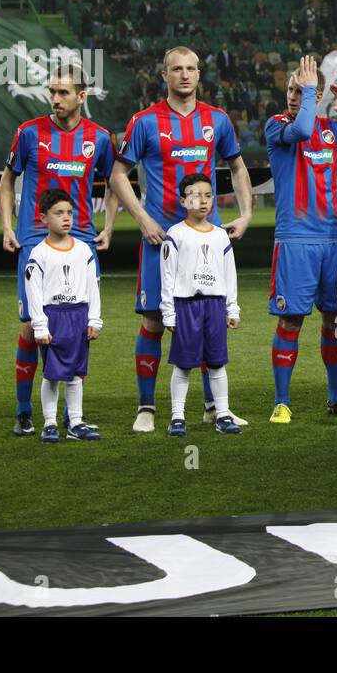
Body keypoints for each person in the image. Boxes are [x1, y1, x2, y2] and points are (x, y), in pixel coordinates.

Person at [109, 46, 253, 433]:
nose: (185, 75)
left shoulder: (217, 120)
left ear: (199, 73)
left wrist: (246, 214)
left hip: (207, 240)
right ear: (164, 75)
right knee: (155, 320)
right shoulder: (145, 121)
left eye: (191, 68)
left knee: (211, 320)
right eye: (177, 69)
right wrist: (142, 218)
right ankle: (146, 408)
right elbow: (118, 175)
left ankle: (213, 407)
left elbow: (237, 167)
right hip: (162, 239)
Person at [0, 63, 115, 437]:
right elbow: (8, 179)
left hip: (81, 238)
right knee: (32, 327)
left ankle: (73, 415)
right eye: (52, 91)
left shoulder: (98, 138)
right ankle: (24, 410)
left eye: (63, 92)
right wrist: (7, 225)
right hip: (35, 237)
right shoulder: (30, 133)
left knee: (80, 325)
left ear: (82, 96)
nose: (55, 99)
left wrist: (109, 225)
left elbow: (115, 182)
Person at [265, 56, 337, 425]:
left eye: (303, 90)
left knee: (334, 320)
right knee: (291, 321)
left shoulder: (330, 129)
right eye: (293, 90)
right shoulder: (277, 126)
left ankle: (336, 397)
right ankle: (282, 401)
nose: (295, 96)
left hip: (332, 239)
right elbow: (299, 131)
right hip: (295, 239)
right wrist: (313, 93)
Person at [159, 174, 242, 437]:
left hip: (215, 306)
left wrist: (233, 308)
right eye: (196, 195)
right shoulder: (175, 234)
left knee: (217, 363)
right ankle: (177, 417)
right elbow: (167, 276)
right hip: (186, 307)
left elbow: (230, 275)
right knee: (183, 365)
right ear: (184, 201)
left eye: (208, 195)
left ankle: (223, 413)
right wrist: (168, 313)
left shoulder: (220, 235)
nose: (203, 201)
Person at [23, 189, 103, 443]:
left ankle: (76, 422)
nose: (66, 218)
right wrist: (39, 325)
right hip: (53, 317)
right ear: (44, 218)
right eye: (59, 213)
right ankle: (49, 423)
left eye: (69, 212)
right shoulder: (39, 253)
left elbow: (93, 287)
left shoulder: (83, 250)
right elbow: (33, 292)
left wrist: (94, 319)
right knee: (52, 374)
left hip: (78, 316)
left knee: (77, 373)